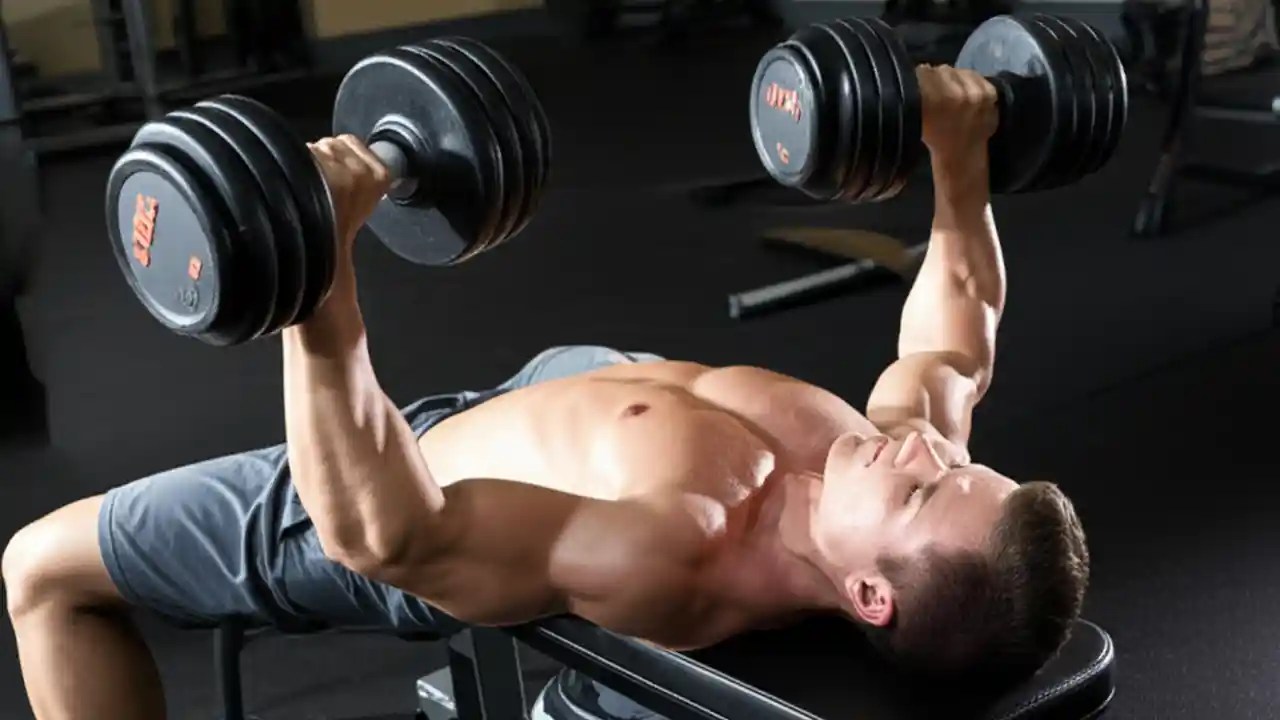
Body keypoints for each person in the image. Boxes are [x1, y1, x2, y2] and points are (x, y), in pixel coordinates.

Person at [3, 65, 1089, 720]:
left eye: (919, 491)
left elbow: (389, 536)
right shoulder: (884, 464)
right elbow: (954, 342)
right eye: (950, 462)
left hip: (401, 482)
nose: (919, 452)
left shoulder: (674, 548)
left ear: (867, 598)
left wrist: (322, 278)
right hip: (566, 407)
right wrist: (959, 151)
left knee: (40, 569)